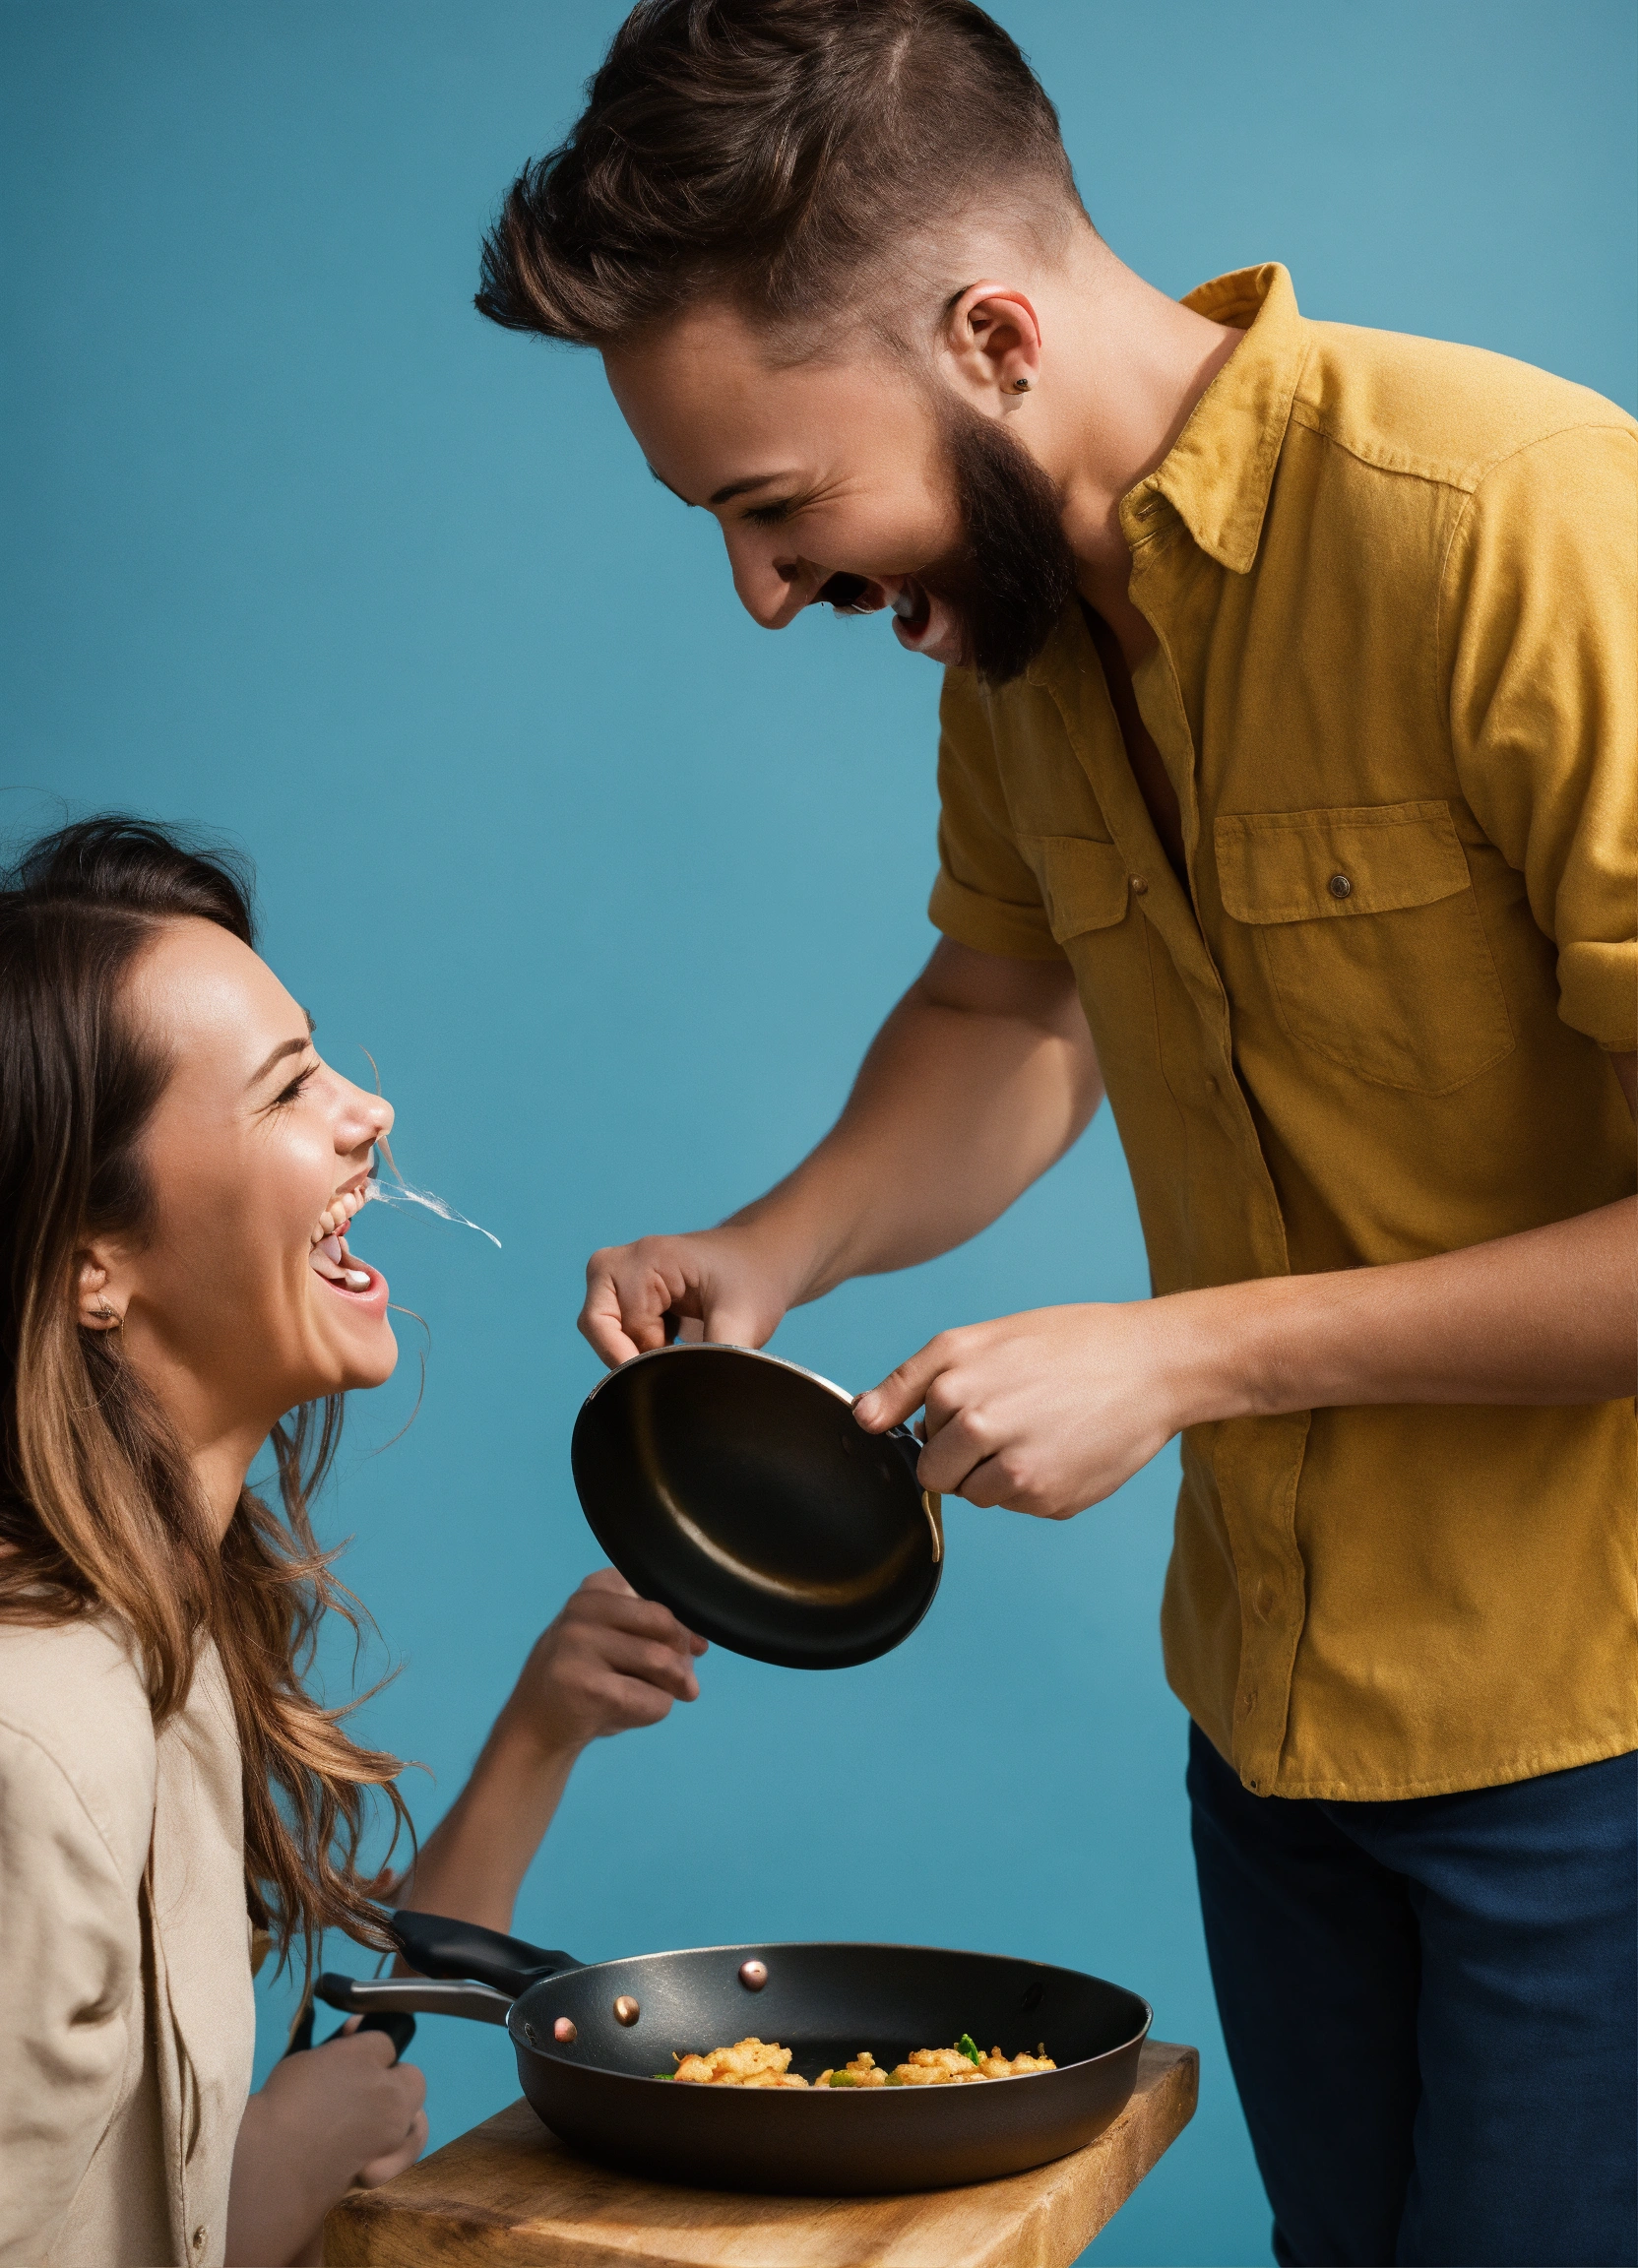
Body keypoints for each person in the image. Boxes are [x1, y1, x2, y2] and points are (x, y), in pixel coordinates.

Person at [472, 4, 1638, 2263]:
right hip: (1279, 1737)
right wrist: (786, 1239)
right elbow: (1011, 1003)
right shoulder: (1018, 636)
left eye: (773, 503)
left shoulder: (1527, 533)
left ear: (991, 334)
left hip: (1598, 1737)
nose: (760, 591)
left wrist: (1187, 1356)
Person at [0, 817, 707, 2268]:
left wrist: (542, 1728)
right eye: (284, 1092)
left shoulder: (155, 1627)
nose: (368, 1112)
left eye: (322, 1059)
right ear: (92, 1264)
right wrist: (263, 2184)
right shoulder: (33, 1748)